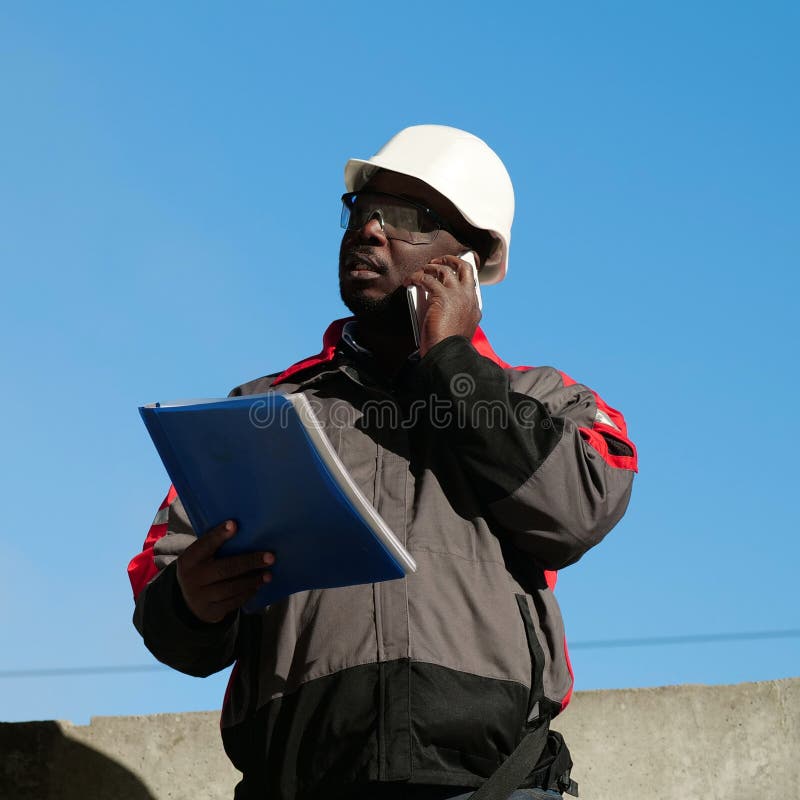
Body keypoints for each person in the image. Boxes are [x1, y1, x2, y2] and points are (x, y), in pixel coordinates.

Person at [129, 125, 637, 800]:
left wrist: (452, 365)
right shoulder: (261, 412)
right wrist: (191, 605)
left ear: (470, 256)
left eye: (403, 218)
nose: (368, 229)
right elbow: (163, 591)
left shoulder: (545, 400)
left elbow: (576, 511)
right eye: (360, 210)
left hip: (498, 785)